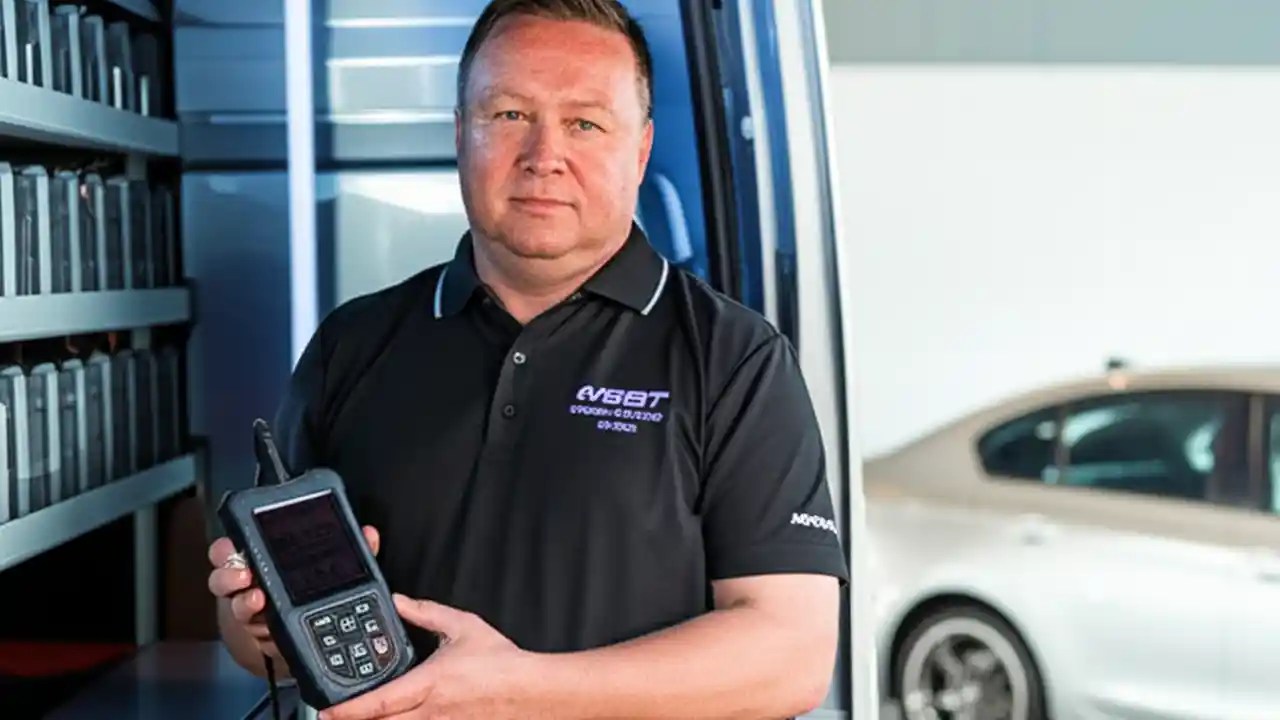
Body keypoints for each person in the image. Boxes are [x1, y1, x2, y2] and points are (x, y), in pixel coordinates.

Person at [206, 0, 848, 717]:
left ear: (639, 150)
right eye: (509, 115)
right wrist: (255, 619)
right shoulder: (350, 346)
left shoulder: (736, 361)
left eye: (585, 123)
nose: (545, 155)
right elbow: (255, 649)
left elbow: (791, 657)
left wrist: (517, 691)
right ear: (460, 134)